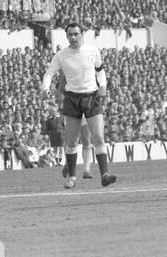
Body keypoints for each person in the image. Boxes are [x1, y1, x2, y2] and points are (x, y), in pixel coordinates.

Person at [40, 21, 117, 189]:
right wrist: (45, 88)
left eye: (76, 34)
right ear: (66, 36)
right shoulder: (62, 55)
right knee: (73, 141)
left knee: (98, 137)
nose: (73, 37)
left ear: (82, 34)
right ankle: (72, 177)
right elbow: (49, 73)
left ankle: (105, 174)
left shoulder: (93, 51)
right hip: (72, 99)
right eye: (70, 34)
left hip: (91, 97)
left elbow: (100, 71)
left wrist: (103, 86)